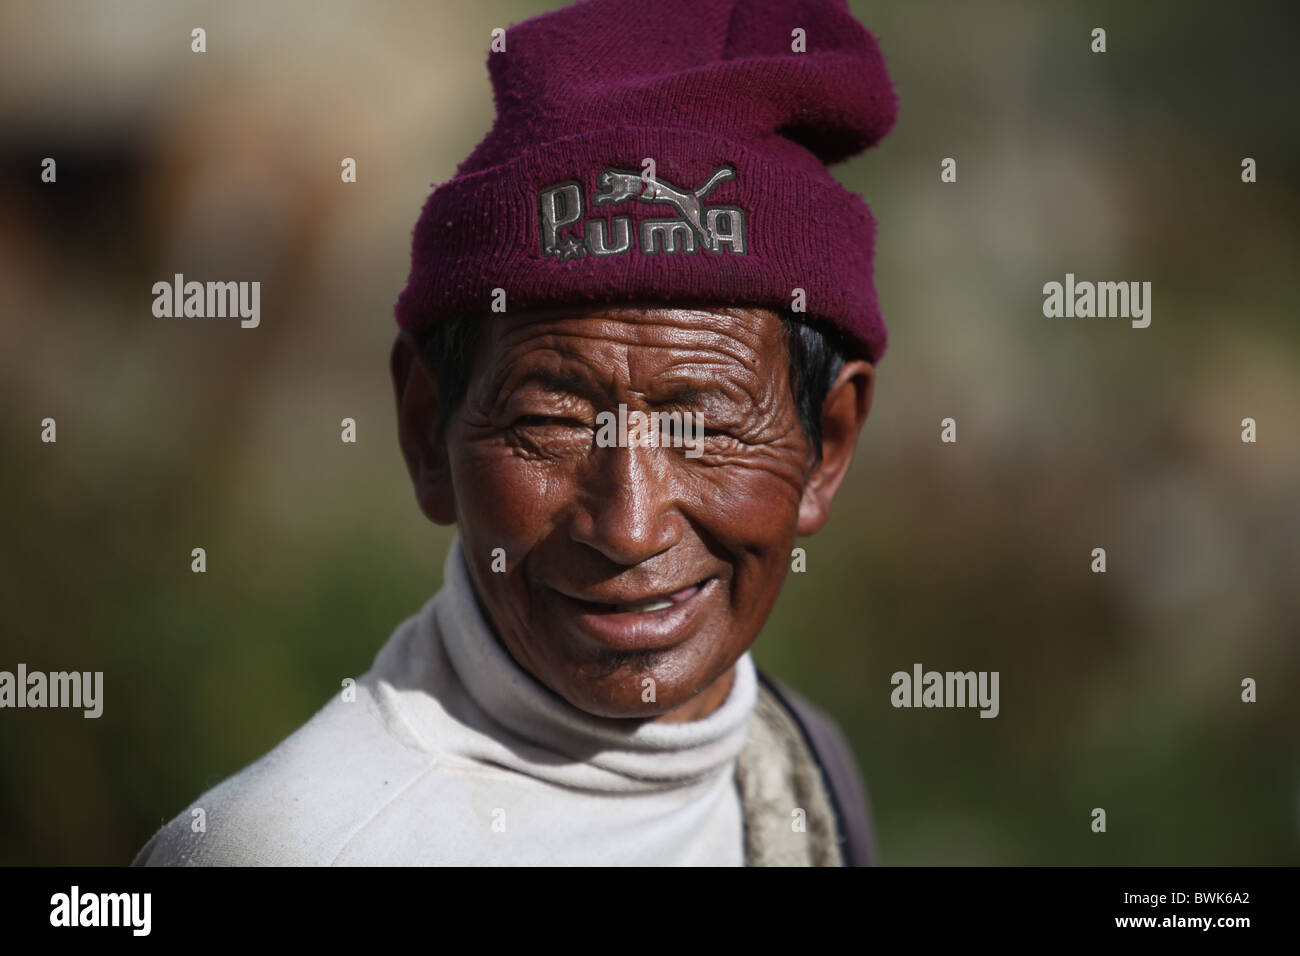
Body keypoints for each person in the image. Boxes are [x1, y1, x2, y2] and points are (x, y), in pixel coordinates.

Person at [134, 0, 897, 867]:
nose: (629, 526)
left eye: (702, 425)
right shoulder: (294, 847)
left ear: (827, 446)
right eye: (551, 421)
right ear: (428, 434)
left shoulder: (805, 775)